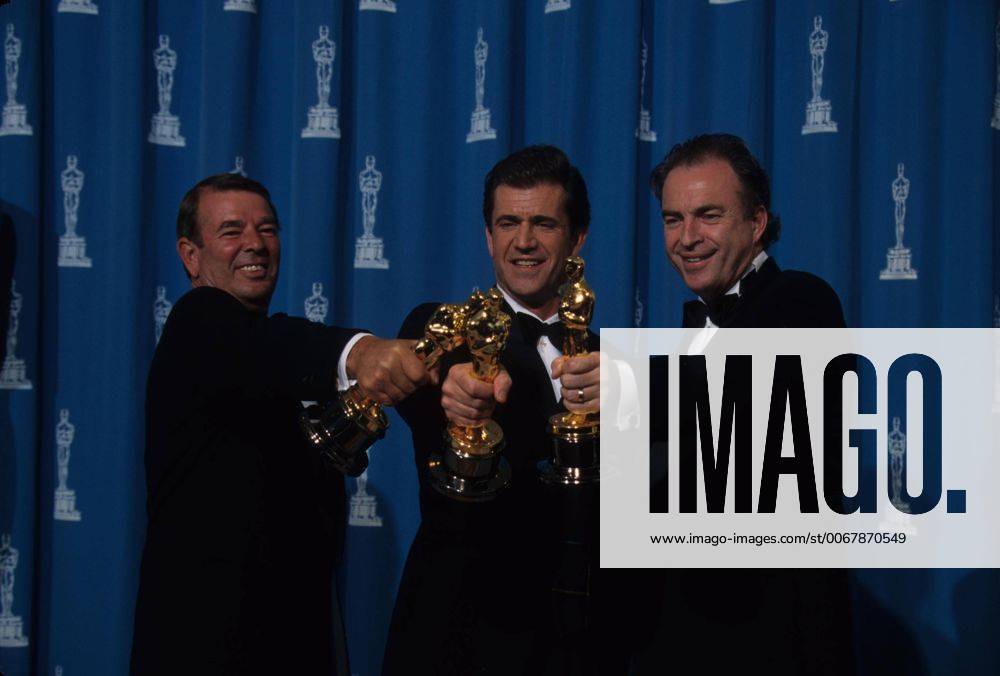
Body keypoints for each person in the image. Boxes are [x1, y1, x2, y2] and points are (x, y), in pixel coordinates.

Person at [129, 173, 432, 675]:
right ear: (190, 255)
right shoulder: (197, 322)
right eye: (232, 231)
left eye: (267, 229)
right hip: (210, 648)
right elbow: (269, 345)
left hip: (294, 640)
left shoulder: (274, 362)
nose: (255, 243)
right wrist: (361, 351)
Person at [382, 146, 631, 675]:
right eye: (508, 223)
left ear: (577, 237)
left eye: (543, 223)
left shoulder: (615, 363)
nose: (524, 241)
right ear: (488, 236)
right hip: (465, 638)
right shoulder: (445, 328)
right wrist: (457, 391)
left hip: (585, 640)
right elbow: (437, 375)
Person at [633, 133, 853, 674]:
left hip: (775, 641)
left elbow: (734, 388)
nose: (687, 237)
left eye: (707, 215)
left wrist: (615, 382)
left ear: (757, 223)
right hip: (682, 636)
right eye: (672, 219)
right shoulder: (691, 339)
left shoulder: (803, 301)